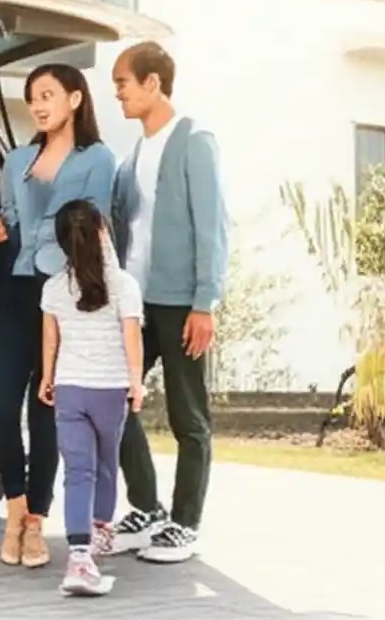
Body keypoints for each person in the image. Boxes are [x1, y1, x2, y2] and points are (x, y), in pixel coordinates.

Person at [0, 63, 117, 568]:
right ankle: (13, 511)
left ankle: (37, 521)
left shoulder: (98, 159)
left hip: (64, 292)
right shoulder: (17, 160)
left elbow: (94, 223)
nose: (38, 104)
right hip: (15, 288)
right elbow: (12, 218)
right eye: (33, 96)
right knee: (2, 402)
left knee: (47, 405)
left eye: (48, 94)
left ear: (75, 99)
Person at [107, 41, 228, 564]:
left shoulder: (194, 141)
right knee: (113, 398)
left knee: (188, 416)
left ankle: (184, 522)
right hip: (135, 302)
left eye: (123, 84)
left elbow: (213, 227)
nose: (118, 95)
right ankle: (146, 508)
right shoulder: (132, 154)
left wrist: (205, 301)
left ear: (153, 82)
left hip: (181, 303)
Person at [38, 199, 145, 596]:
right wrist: (136, 383)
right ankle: (100, 531)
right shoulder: (124, 285)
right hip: (110, 390)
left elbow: (51, 339)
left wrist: (46, 378)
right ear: (103, 233)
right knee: (105, 463)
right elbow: (131, 338)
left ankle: (78, 556)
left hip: (69, 389)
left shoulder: (53, 287)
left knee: (77, 471)